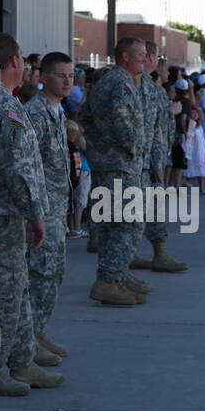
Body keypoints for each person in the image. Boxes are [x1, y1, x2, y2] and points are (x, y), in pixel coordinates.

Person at [0, 32, 62, 395]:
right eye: (22, 58)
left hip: (1, 216)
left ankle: (21, 360)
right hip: (0, 217)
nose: (26, 66)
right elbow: (18, 168)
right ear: (11, 63)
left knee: (16, 294)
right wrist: (35, 213)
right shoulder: (0, 105)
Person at [81, 36, 147, 305]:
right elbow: (121, 115)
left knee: (112, 223)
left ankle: (115, 274)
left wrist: (98, 145)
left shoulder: (108, 80)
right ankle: (109, 280)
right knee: (129, 222)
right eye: (140, 54)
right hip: (119, 164)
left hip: (108, 162)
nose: (144, 59)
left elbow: (84, 115)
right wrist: (129, 142)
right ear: (125, 57)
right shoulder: (120, 81)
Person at [25, 52, 74, 363]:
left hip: (57, 206)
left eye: (70, 76)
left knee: (53, 273)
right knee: (39, 274)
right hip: (43, 209)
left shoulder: (58, 111)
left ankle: (39, 329)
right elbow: (27, 164)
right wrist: (34, 211)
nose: (68, 81)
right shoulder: (36, 114)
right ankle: (27, 339)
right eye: (60, 75)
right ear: (42, 78)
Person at [132, 41, 186, 276]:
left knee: (150, 208)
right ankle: (137, 258)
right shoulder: (139, 85)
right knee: (140, 210)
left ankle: (154, 253)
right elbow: (146, 127)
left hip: (153, 158)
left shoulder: (149, 86)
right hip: (144, 161)